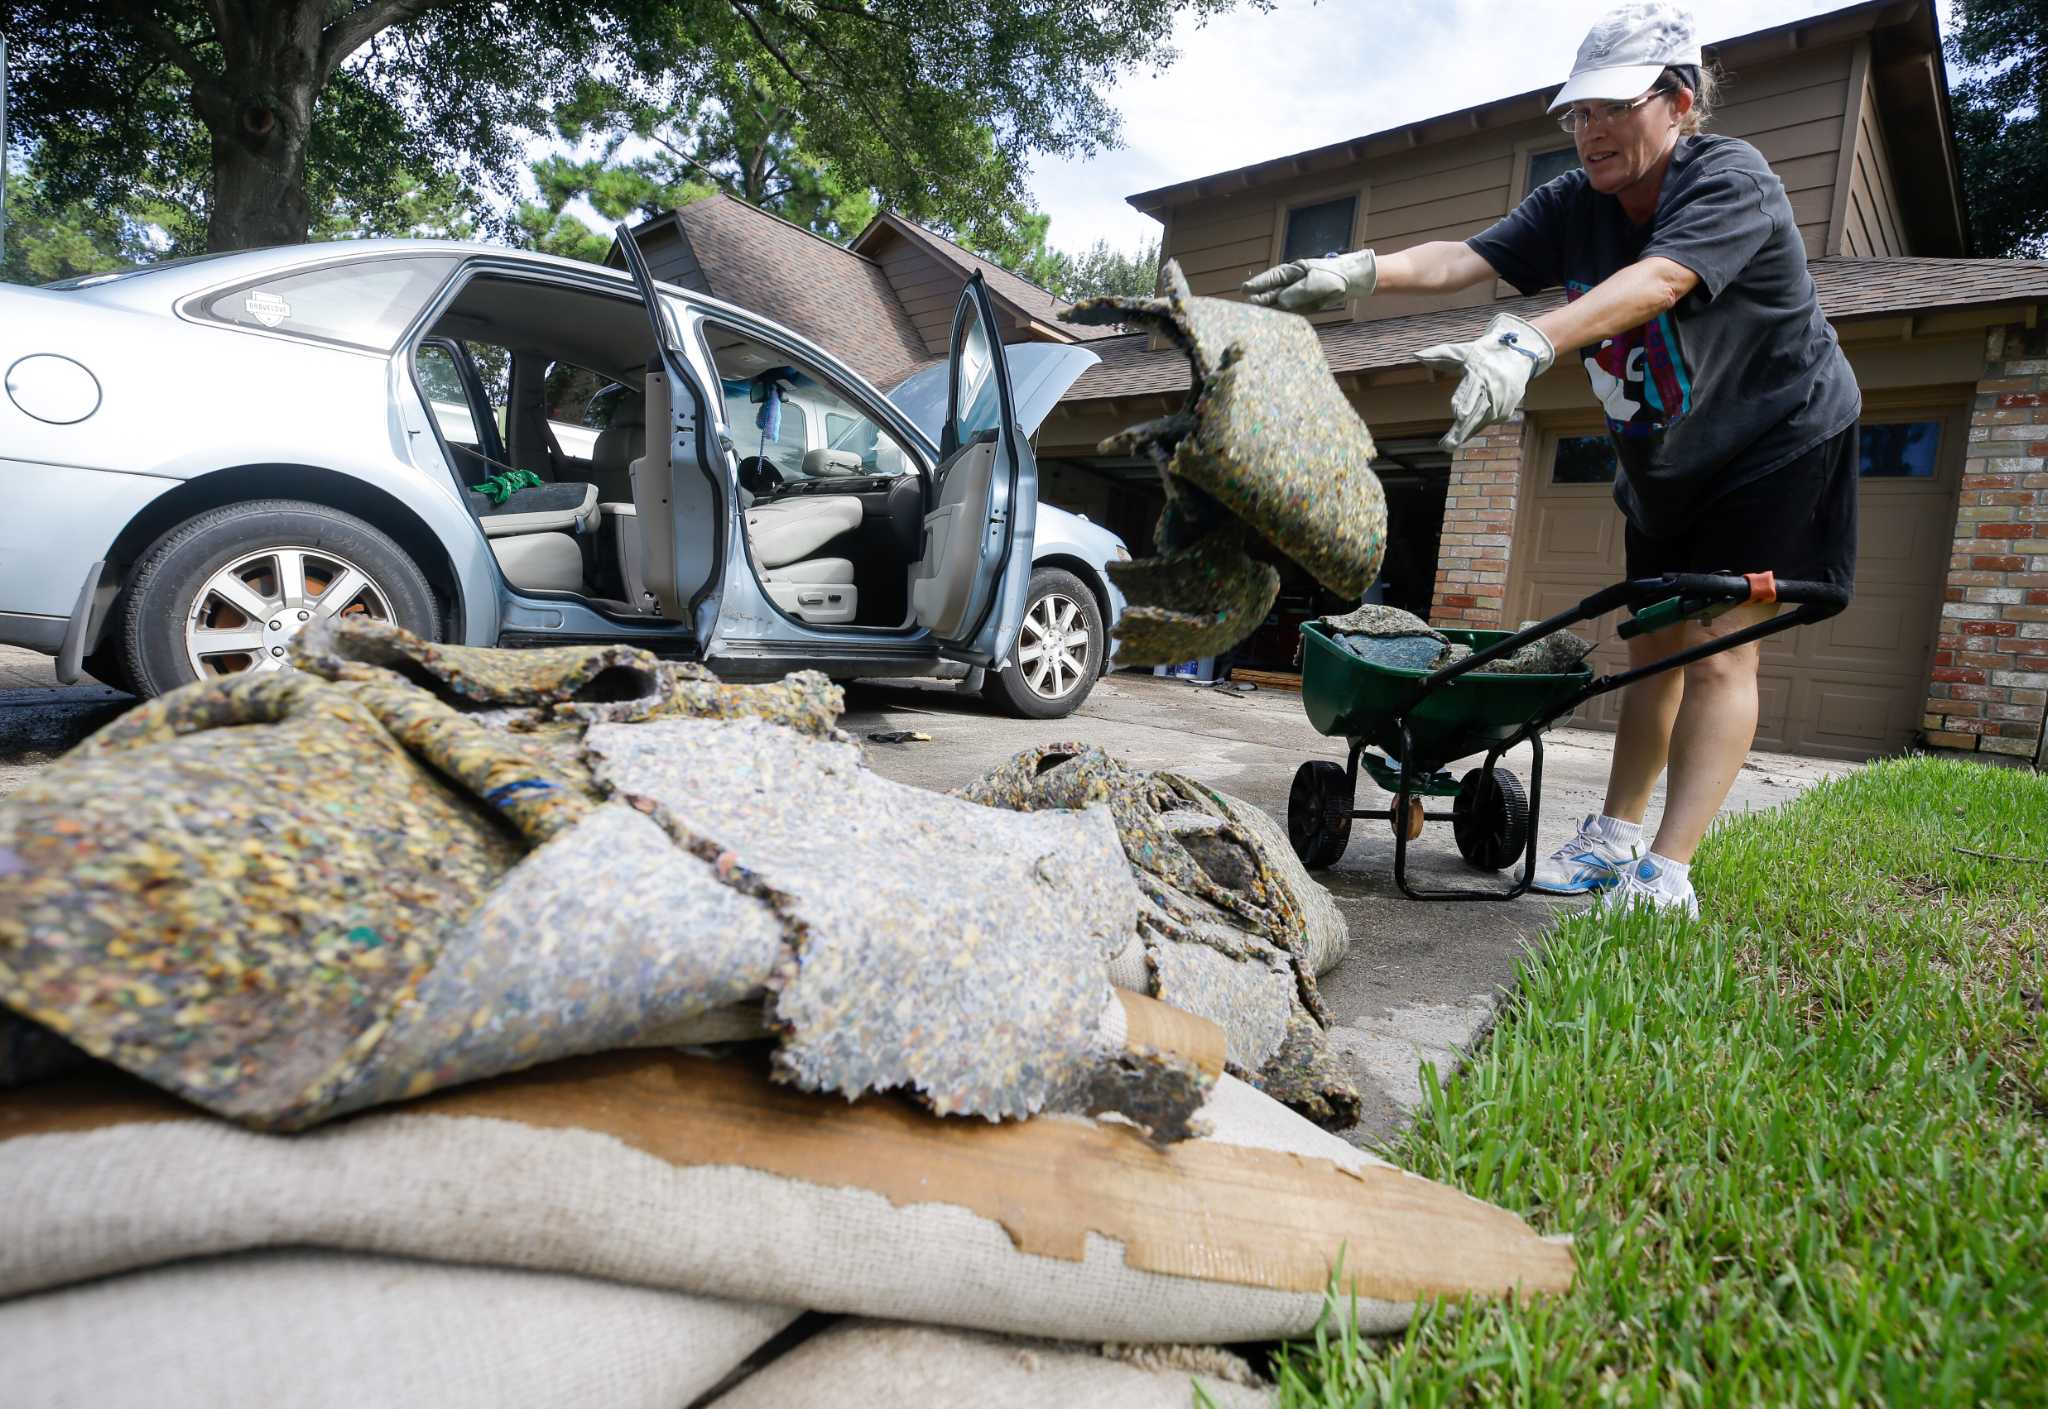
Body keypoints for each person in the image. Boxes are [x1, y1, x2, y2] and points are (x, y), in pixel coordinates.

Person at [1244, 2, 1859, 918]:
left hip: (1775, 443)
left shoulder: (1732, 180)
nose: (1590, 129)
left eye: (1613, 106)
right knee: (1651, 642)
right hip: (1665, 462)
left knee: (1718, 652)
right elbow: (1470, 255)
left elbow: (1662, 279)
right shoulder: (1577, 202)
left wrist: (1533, 342)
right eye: (1578, 111)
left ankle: (1667, 874)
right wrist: (1361, 269)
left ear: (1680, 102)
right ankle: (1613, 836)